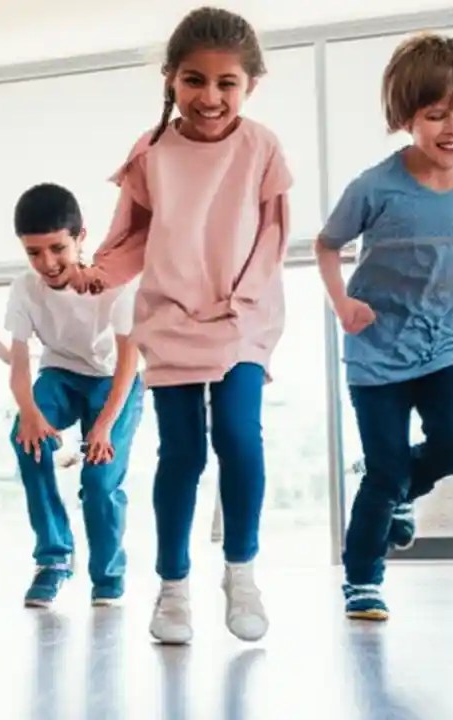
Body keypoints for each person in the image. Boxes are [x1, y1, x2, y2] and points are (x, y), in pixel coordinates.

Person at [69, 6, 291, 645]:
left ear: (251, 85)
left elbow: (273, 236)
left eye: (228, 83)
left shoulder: (261, 147)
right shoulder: (153, 152)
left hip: (241, 320)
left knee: (240, 442)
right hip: (168, 317)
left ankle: (241, 574)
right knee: (183, 455)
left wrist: (239, 303)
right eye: (194, 80)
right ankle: (172, 591)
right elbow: (131, 236)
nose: (210, 96)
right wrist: (97, 274)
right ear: (170, 80)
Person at [315, 32, 453, 621]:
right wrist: (342, 304)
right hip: (375, 351)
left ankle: (401, 494)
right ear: (406, 117)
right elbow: (326, 245)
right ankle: (363, 580)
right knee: (385, 467)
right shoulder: (375, 186)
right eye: (436, 115)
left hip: (444, 341)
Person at [6, 183, 144, 608]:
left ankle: (108, 575)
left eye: (57, 248)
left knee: (99, 480)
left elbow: (128, 361)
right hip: (60, 373)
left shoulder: (117, 284)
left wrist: (102, 428)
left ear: (81, 237)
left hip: (113, 381)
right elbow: (20, 363)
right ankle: (54, 558)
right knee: (24, 438)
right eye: (34, 252)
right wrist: (28, 413)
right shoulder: (25, 289)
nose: (46, 262)